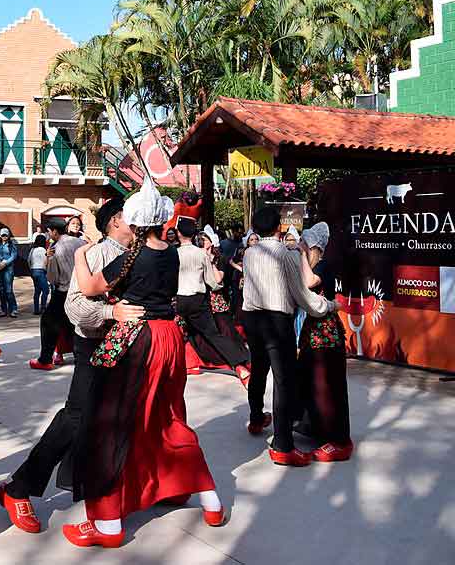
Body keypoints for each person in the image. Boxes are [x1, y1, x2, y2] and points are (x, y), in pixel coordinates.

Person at [64, 176, 225, 547]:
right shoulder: (172, 252)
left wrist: (78, 256)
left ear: (134, 222)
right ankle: (209, 498)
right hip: (170, 338)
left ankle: (107, 522)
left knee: (113, 422)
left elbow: (89, 289)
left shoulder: (132, 257)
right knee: (168, 417)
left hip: (140, 338)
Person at [0, 197, 143, 533]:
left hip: (129, 346)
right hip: (95, 344)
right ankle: (18, 487)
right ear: (117, 220)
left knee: (118, 419)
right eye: (132, 216)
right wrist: (111, 312)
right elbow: (75, 308)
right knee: (76, 417)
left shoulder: (138, 253)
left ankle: (111, 487)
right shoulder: (95, 254)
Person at [242, 207, 337, 466]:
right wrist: (327, 306)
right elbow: (300, 293)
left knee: (259, 369)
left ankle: (255, 417)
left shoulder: (249, 252)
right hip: (276, 320)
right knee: (283, 379)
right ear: (279, 228)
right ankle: (283, 444)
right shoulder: (287, 255)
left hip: (251, 317)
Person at [296, 223, 353, 462]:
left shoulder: (324, 266)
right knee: (309, 381)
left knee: (328, 385)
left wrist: (299, 255)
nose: (301, 247)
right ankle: (316, 426)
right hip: (312, 331)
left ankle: (340, 440)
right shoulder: (311, 265)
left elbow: (309, 283)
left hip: (327, 334)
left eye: (305, 245)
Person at [173, 217, 250, 373]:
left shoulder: (173, 253)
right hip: (198, 299)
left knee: (178, 334)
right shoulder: (201, 254)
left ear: (178, 233)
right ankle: (239, 364)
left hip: (179, 299)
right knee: (213, 334)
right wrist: (218, 286)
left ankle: (179, 365)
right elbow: (211, 282)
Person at [29, 219, 86, 371]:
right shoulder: (81, 242)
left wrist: (48, 259)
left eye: (49, 232)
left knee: (48, 322)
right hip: (84, 288)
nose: (48, 235)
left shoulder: (56, 248)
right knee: (72, 324)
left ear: (54, 231)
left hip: (64, 291)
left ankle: (45, 359)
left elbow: (52, 278)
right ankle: (80, 356)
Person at [0, 228, 19, 317]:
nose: (4, 237)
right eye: (3, 235)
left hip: (8, 269)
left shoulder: (12, 245)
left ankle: (13, 309)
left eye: (6, 235)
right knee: (1, 290)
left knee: (8, 290)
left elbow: (14, 256)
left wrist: (5, 263)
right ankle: (3, 309)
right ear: (0, 235)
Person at [28, 235, 49, 315]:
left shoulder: (32, 250)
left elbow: (28, 260)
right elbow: (45, 261)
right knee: (46, 290)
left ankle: (36, 309)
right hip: (41, 271)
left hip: (33, 271)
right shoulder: (43, 250)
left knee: (37, 290)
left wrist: (31, 269)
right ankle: (43, 308)